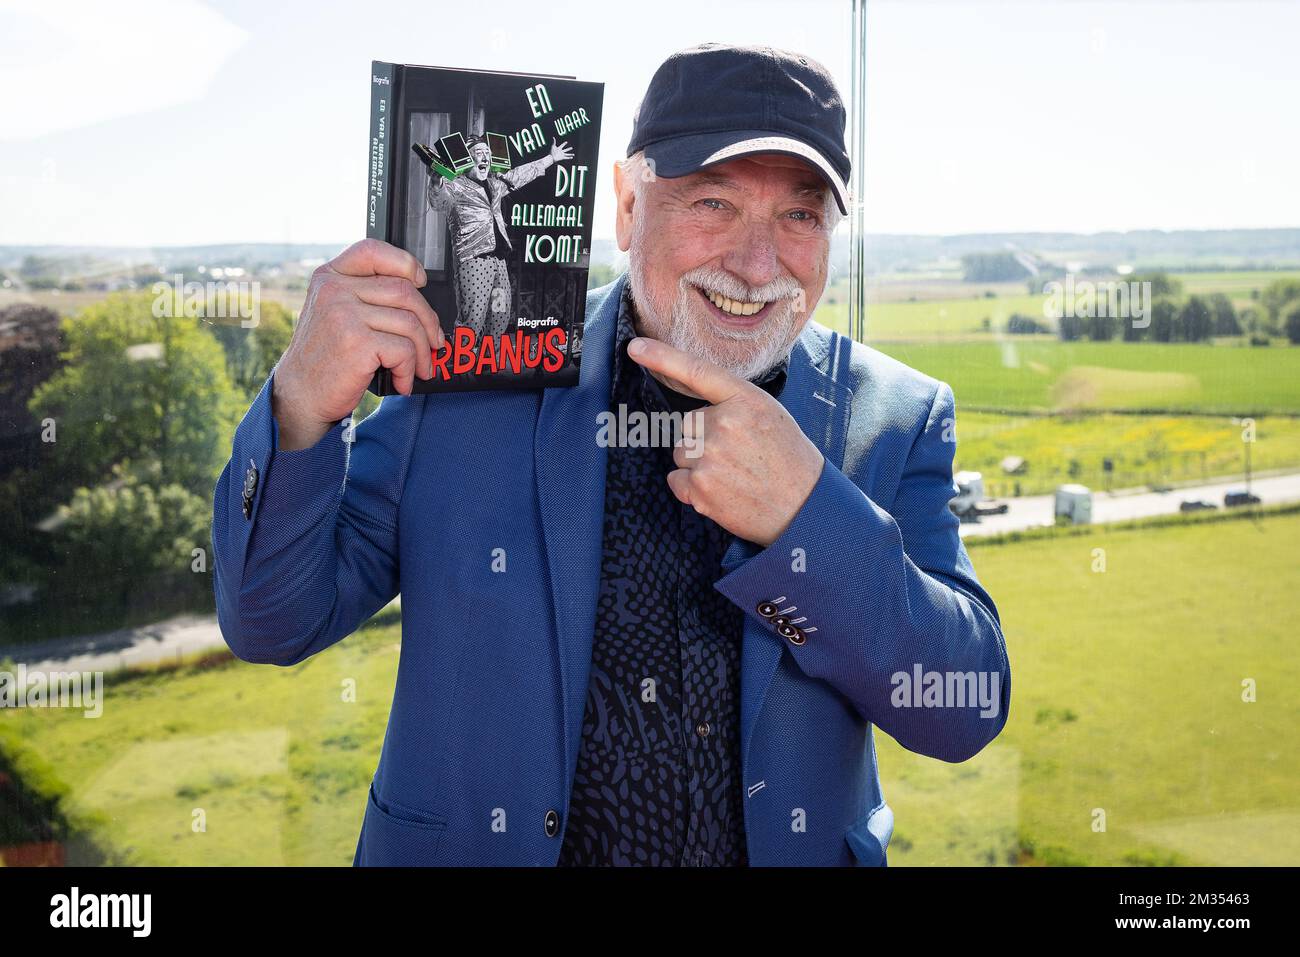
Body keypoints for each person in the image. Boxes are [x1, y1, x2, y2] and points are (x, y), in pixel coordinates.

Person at [212, 43, 1011, 867]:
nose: (756, 263)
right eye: (713, 201)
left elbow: (964, 707)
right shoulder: (469, 381)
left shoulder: (897, 415)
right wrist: (301, 403)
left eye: (800, 215)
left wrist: (808, 514)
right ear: (628, 204)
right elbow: (274, 618)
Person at [426, 133, 573, 338]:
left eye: (487, 153)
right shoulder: (455, 185)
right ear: (467, 159)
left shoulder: (496, 184)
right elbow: (437, 201)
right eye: (479, 153)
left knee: (500, 315)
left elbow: (520, 175)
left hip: (499, 262)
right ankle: (464, 368)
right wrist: (436, 177)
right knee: (473, 319)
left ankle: (487, 365)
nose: (485, 157)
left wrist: (551, 158)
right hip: (473, 261)